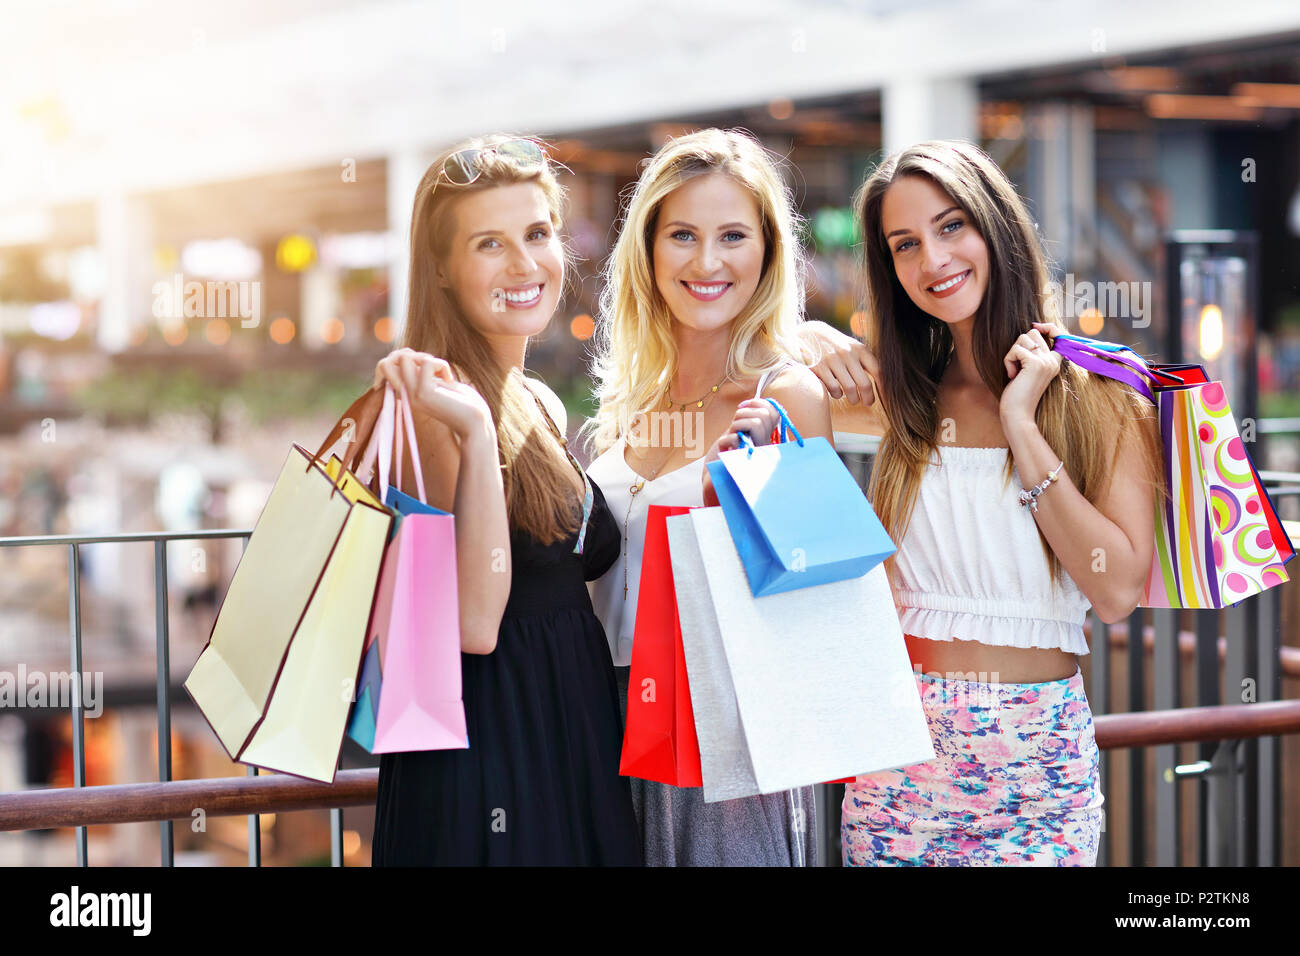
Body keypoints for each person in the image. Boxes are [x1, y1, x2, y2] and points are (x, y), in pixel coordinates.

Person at [800, 140, 1165, 866]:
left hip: (1038, 778)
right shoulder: (902, 398)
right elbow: (742, 370)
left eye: (951, 225)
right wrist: (807, 337)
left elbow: (1117, 589)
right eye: (905, 244)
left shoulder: (1104, 397)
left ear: (996, 226)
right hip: (897, 766)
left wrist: (1024, 428)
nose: (932, 259)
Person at [370, 133, 641, 866]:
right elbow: (475, 623)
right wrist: (476, 431)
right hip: (487, 755)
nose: (525, 265)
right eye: (490, 244)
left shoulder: (538, 400)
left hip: (570, 732)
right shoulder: (432, 413)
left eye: (538, 233)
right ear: (445, 271)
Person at [584, 128, 833, 866]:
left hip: (719, 727)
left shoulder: (783, 394)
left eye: (732, 235)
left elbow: (810, 599)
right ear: (649, 250)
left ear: (767, 251)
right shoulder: (628, 402)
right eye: (683, 235)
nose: (707, 262)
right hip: (606, 716)